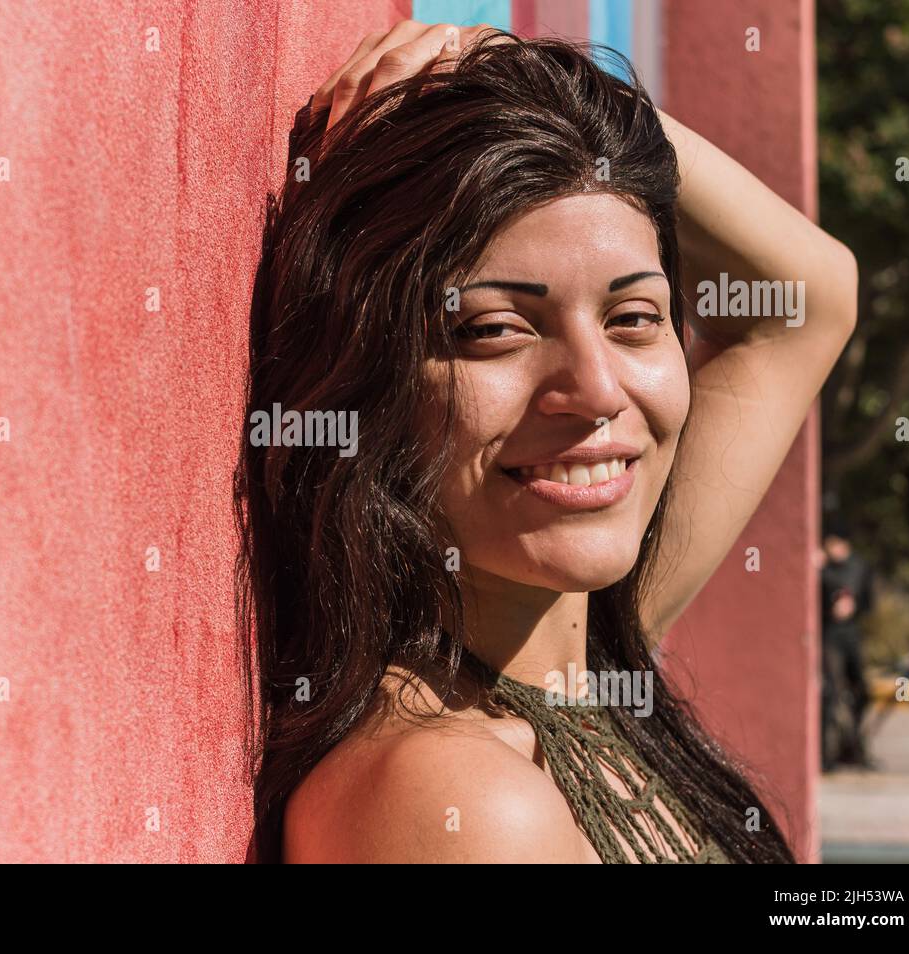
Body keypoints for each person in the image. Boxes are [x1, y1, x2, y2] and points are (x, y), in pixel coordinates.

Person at [236, 23, 857, 862]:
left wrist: (536, 77)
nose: (598, 392)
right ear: (371, 380)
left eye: (633, 318)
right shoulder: (464, 802)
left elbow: (803, 299)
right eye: (494, 330)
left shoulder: (578, 641)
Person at [820, 514, 876, 769]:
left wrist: (852, 607)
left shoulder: (860, 567)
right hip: (829, 637)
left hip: (850, 637)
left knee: (862, 693)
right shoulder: (822, 569)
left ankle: (854, 747)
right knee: (830, 694)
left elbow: (869, 604)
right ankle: (826, 756)